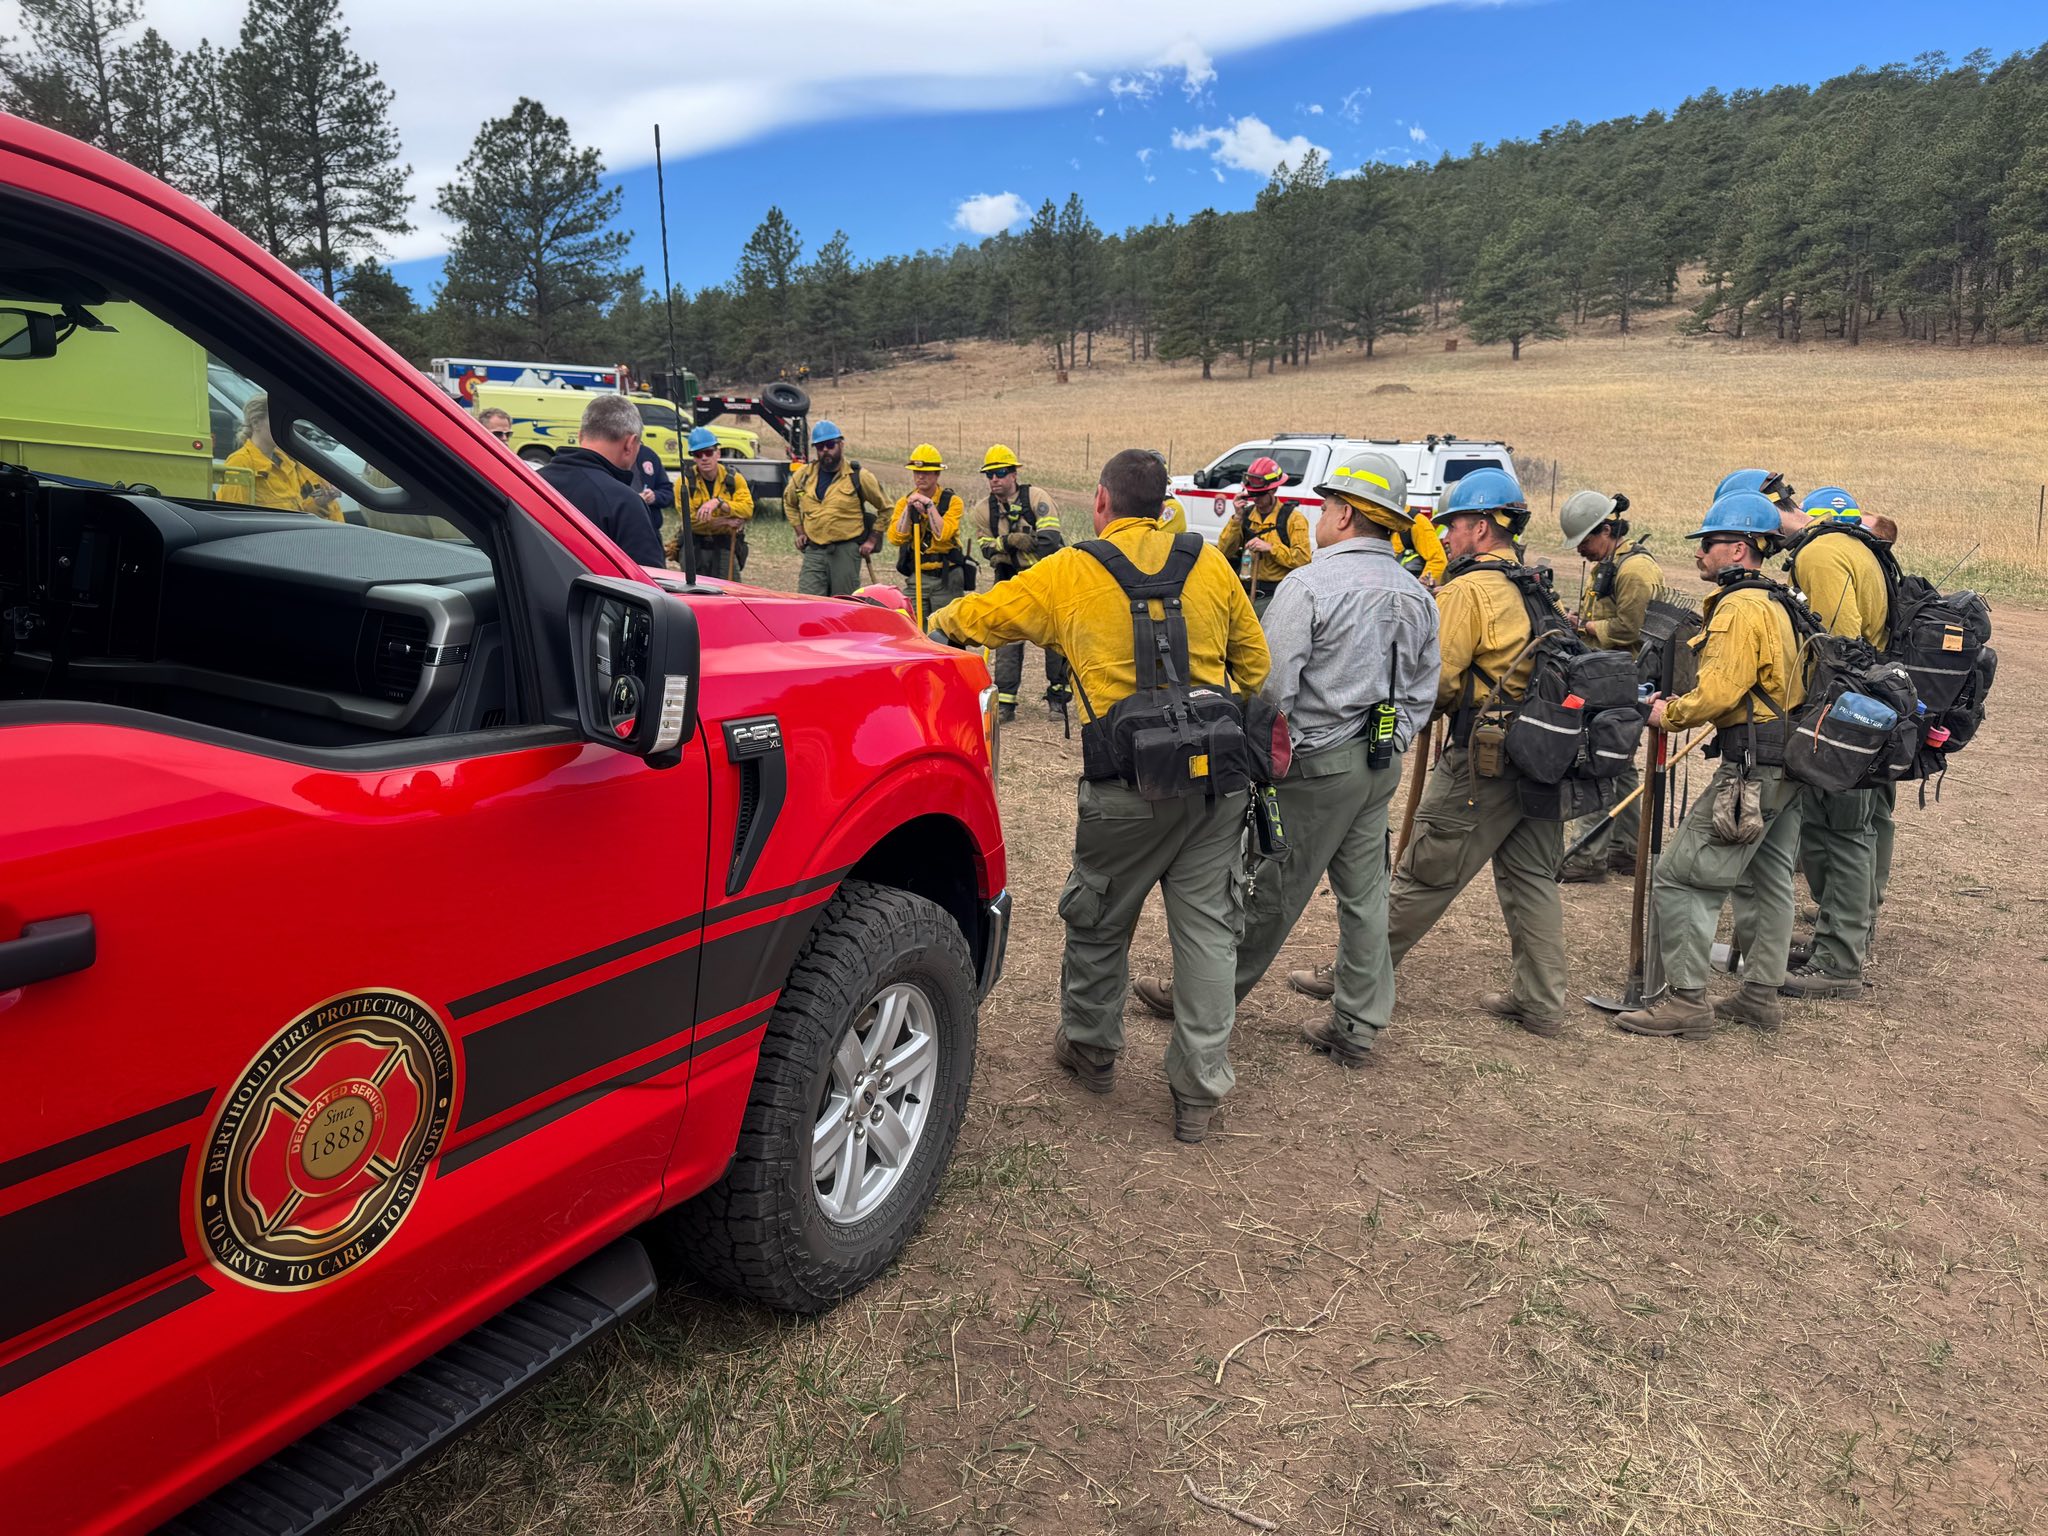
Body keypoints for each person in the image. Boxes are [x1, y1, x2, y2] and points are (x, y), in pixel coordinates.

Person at [928, 450, 1269, 1143]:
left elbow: (974, 620)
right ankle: (1198, 1093)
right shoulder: (1211, 564)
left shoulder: (1068, 571)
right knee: (1208, 932)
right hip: (1217, 785)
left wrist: (921, 628)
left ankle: (1091, 1049)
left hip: (1123, 789)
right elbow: (1255, 668)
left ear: (1103, 504)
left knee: (1099, 917)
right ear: (1165, 503)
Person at [1130, 452, 1439, 1066]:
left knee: (1271, 889)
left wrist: (1267, 752)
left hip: (1315, 765)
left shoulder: (1310, 584)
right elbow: (1424, 687)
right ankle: (1357, 1024)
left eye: (1327, 506)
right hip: (1379, 765)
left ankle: (1207, 997)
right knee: (1366, 894)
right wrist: (1395, 737)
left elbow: (1269, 684)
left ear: (1346, 515)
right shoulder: (1416, 593)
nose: (1320, 516)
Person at [1384, 468, 1572, 1038]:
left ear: (1484, 527)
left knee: (1425, 870)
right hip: (1541, 754)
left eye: (1454, 525)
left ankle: (1354, 974)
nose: (1444, 536)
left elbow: (1437, 679)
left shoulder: (1468, 589)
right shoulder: (1535, 585)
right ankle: (1539, 1001)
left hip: (1483, 757)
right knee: (1531, 877)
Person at [1616, 489, 1807, 1040]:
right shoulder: (1779, 601)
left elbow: (1720, 691)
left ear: (1741, 548)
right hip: (1787, 763)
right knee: (1766, 878)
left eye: (1710, 543)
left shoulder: (1740, 607)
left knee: (1679, 877)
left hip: (1752, 766)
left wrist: (1667, 714)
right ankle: (1760, 995)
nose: (1700, 554)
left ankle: (1686, 1001)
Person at [1769, 484, 1892, 998]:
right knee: (1855, 828)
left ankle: (1839, 962)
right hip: (1865, 707)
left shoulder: (1819, 555)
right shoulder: (1850, 545)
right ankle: (1840, 939)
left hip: (1844, 714)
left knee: (1839, 832)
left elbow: (1834, 647)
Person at [1556, 489, 1658, 883]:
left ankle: (1587, 856)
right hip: (1609, 676)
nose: (1580, 549)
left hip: (1621, 681)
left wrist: (1585, 626)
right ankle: (1627, 850)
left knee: (1597, 763)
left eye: (1584, 539)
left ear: (1607, 529)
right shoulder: (1613, 565)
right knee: (1623, 767)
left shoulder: (1635, 571)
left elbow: (1633, 629)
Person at [976, 444, 1071, 721]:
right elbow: (986, 550)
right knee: (1007, 642)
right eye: (990, 474)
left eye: (1001, 472)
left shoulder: (1037, 498)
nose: (995, 479)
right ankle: (1005, 703)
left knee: (1055, 641)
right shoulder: (984, 511)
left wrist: (1009, 550)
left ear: (1014, 474)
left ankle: (1058, 699)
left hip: (1046, 580)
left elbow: (1050, 541)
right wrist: (1009, 541)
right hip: (1010, 582)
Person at [535, 394, 664, 568]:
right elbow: (649, 584)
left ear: (581, 436)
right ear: (630, 443)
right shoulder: (625, 503)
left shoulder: (534, 484)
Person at [783, 420, 887, 597]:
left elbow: (886, 508)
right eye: (820, 446)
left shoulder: (858, 476)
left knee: (843, 606)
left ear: (841, 444)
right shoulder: (803, 476)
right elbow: (789, 502)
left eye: (830, 445)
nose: (825, 450)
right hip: (813, 551)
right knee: (808, 603)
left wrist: (872, 539)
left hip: (845, 551)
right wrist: (800, 532)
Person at [217, 395, 342, 519]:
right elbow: (233, 517)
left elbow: (294, 512)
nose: (283, 425)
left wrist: (317, 503)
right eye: (276, 419)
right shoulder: (241, 462)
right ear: (255, 423)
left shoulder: (287, 463)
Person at [1215, 456, 1311, 617]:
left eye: (1260, 494)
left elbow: (1303, 559)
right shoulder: (1245, 515)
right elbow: (1224, 551)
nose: (1256, 499)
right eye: (1252, 494)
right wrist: (1237, 518)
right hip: (1244, 595)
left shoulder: (1293, 519)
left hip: (1275, 598)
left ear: (1273, 490)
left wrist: (1271, 548)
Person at [886, 444, 968, 625]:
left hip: (946, 578)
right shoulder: (904, 502)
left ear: (937, 474)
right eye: (916, 472)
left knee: (946, 632)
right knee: (911, 628)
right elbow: (895, 537)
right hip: (918, 576)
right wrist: (908, 509)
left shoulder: (952, 502)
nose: (920, 476)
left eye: (926, 472)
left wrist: (929, 506)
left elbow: (943, 534)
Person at [674, 426, 755, 577]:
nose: (704, 458)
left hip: (725, 544)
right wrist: (725, 522)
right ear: (693, 457)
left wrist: (719, 502)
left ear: (717, 453)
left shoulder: (734, 478)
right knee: (695, 595)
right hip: (694, 546)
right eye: (698, 454)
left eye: (708, 452)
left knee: (730, 592)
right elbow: (690, 521)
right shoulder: (683, 483)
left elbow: (748, 509)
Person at [631, 437, 673, 541]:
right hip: (621, 535)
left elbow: (668, 492)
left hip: (651, 532)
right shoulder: (611, 456)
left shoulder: (648, 455)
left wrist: (655, 496)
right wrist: (633, 499)